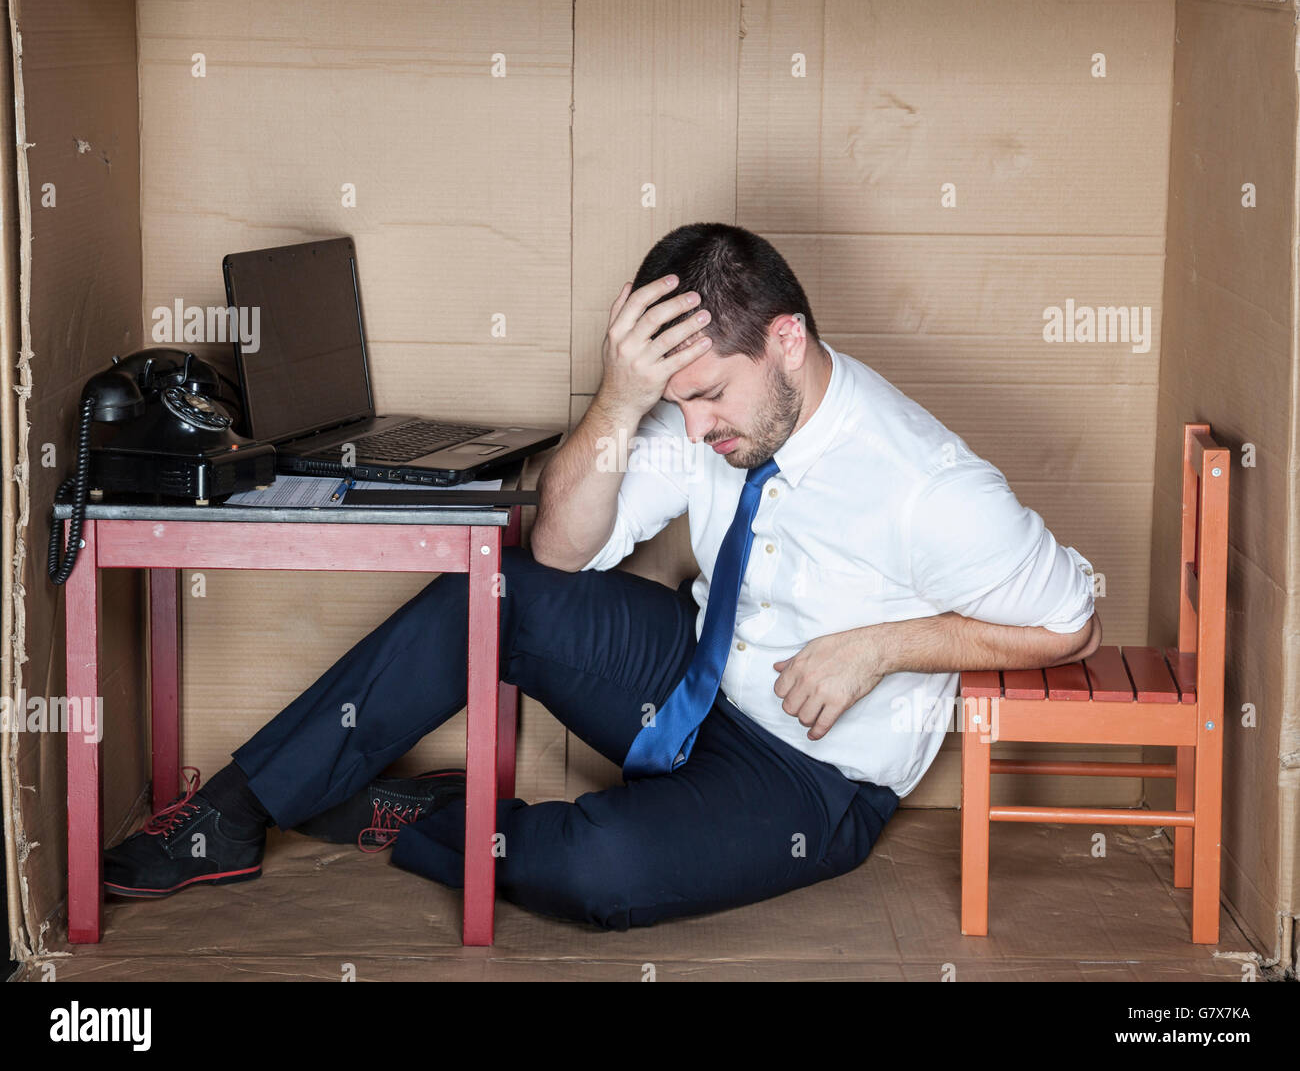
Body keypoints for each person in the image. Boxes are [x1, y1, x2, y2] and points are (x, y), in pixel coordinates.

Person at [102, 222, 1101, 930]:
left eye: (709, 396)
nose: (700, 430)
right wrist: (623, 404)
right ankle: (237, 810)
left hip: (811, 770)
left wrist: (886, 646)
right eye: (679, 400)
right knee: (492, 586)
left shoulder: (928, 486)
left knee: (597, 874)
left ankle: (423, 816)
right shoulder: (701, 409)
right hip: (691, 674)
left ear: (785, 339)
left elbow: (1071, 624)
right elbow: (560, 553)